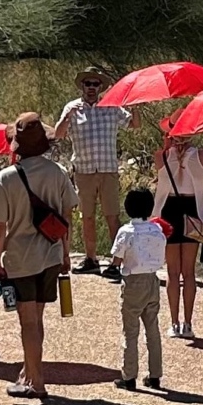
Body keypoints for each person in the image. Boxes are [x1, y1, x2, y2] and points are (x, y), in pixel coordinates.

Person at [0, 113, 77, 400]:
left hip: (20, 258)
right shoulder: (57, 172)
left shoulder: (5, 179)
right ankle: (29, 371)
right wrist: (65, 252)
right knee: (37, 318)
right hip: (50, 255)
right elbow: (66, 217)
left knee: (27, 322)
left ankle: (36, 381)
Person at [55, 66, 139, 274]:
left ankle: (116, 262)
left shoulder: (111, 106)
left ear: (101, 86)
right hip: (84, 171)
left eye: (95, 84)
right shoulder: (72, 108)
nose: (91, 88)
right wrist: (67, 118)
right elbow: (58, 134)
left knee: (112, 215)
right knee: (87, 216)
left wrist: (135, 105)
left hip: (107, 169)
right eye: (88, 83)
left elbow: (134, 125)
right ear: (82, 86)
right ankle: (91, 259)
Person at [151, 122, 203, 338]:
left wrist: (167, 147)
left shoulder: (162, 156)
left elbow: (160, 182)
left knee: (172, 272)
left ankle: (174, 322)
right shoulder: (202, 155)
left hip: (169, 210)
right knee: (189, 272)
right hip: (192, 209)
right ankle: (188, 323)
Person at [109, 188, 166, 391]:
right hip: (152, 280)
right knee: (153, 329)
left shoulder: (126, 232)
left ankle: (129, 375)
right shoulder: (157, 230)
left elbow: (117, 259)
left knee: (130, 331)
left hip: (133, 282)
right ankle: (155, 374)